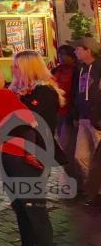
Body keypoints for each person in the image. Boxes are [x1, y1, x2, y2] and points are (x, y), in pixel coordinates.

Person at [2, 50, 63, 246]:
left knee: (33, 207)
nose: (13, 69)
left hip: (32, 155)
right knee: (19, 206)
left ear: (29, 68)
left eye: (17, 66)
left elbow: (27, 121)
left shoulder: (44, 92)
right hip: (11, 152)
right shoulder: (14, 91)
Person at [73, 37, 101, 191]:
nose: (75, 52)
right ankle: (94, 186)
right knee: (81, 155)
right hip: (84, 116)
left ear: (88, 50)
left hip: (97, 117)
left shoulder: (99, 67)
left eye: (78, 49)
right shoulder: (81, 68)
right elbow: (78, 92)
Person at [52, 44, 78, 174]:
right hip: (57, 111)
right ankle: (69, 173)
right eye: (60, 54)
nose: (62, 57)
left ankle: (72, 174)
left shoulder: (77, 71)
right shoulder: (56, 70)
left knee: (67, 144)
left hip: (70, 112)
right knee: (63, 142)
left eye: (64, 54)